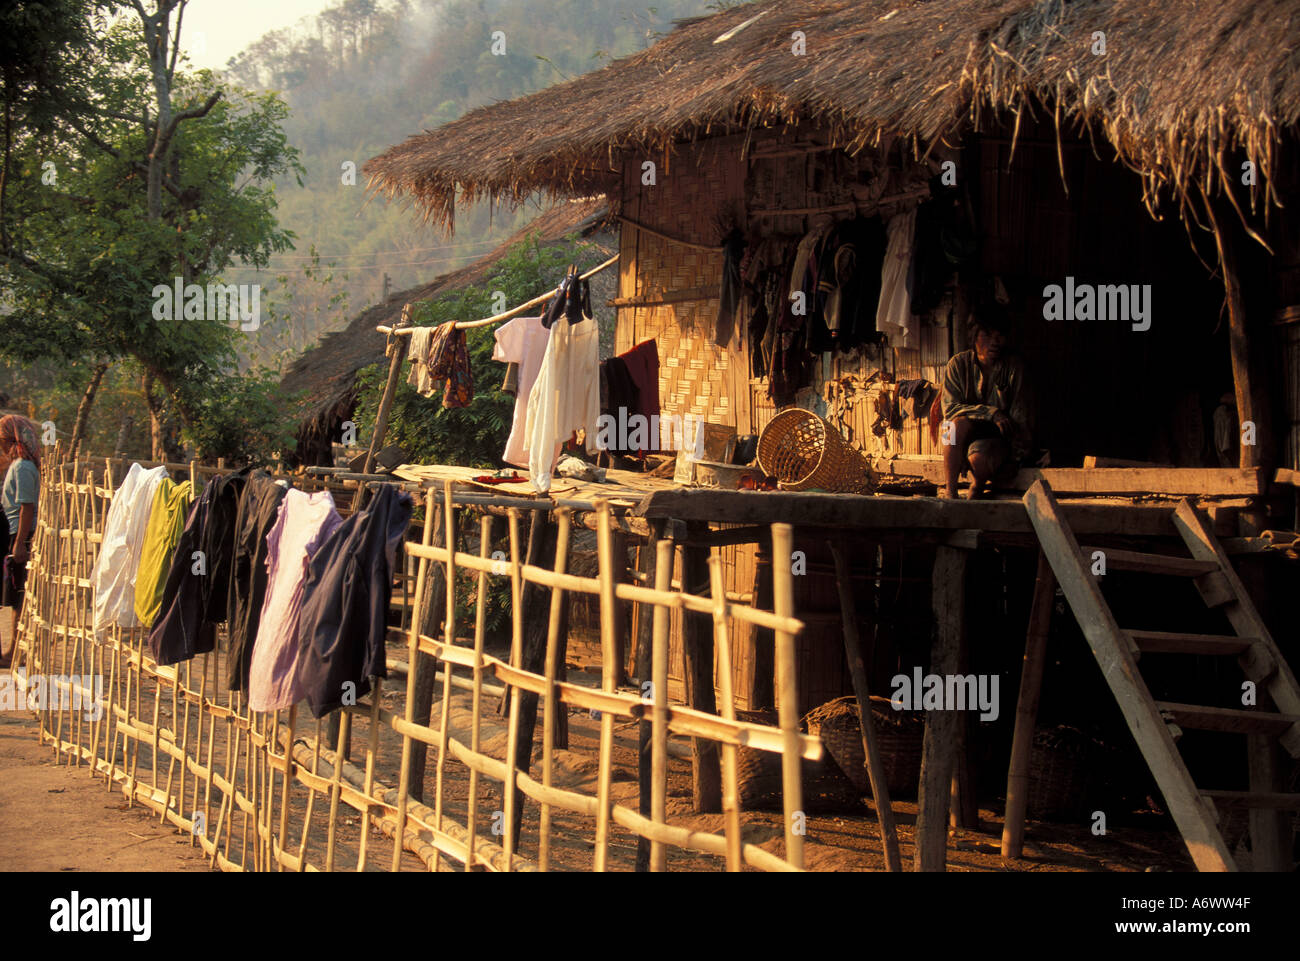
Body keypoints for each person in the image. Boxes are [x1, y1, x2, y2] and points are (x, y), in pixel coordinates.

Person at [941, 308, 1031, 500]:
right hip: (960, 442)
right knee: (950, 427)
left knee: (979, 460)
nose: (995, 342)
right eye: (988, 335)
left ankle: (978, 485)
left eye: (1000, 336)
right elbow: (949, 409)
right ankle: (950, 491)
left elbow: (1020, 415)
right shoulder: (958, 364)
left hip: (996, 440)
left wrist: (1018, 457)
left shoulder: (1013, 367)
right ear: (974, 336)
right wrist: (991, 413)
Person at [1, 415, 40, 667]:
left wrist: (19, 543)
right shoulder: (18, 465)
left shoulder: (22, 467)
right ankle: (11, 650)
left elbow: (26, 507)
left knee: (17, 595)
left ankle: (13, 651)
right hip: (14, 531)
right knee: (14, 594)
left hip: (19, 534)